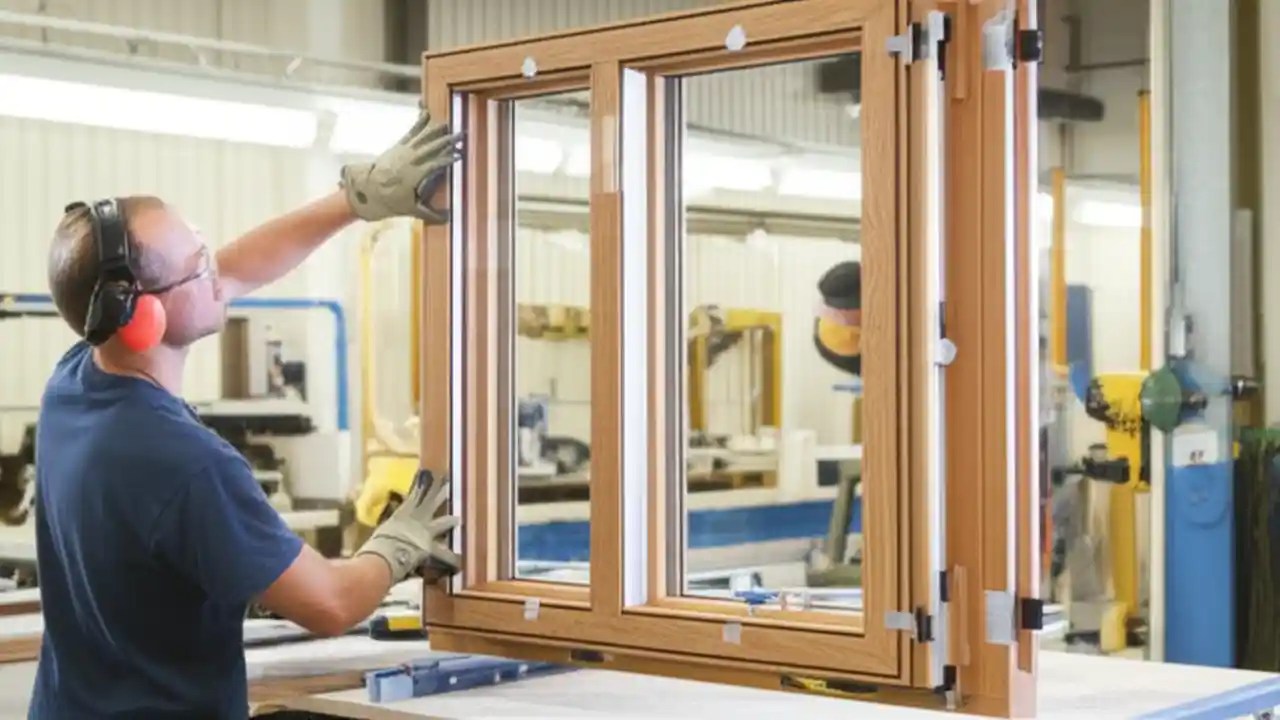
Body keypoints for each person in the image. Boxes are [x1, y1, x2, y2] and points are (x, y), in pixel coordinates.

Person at [29, 110, 465, 719]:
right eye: (198, 266)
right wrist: (396, 545)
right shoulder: (187, 463)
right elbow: (330, 605)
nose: (219, 272)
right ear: (142, 316)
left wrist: (357, 199)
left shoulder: (74, 381)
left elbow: (236, 268)